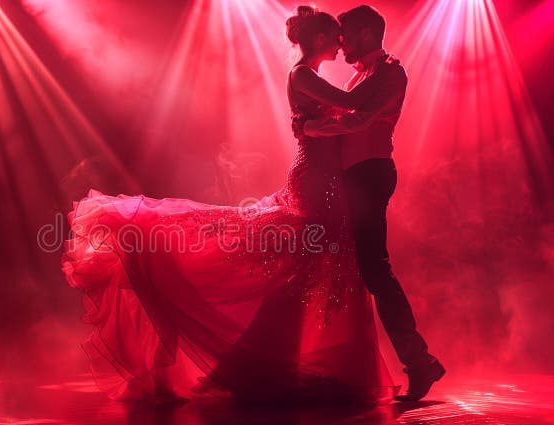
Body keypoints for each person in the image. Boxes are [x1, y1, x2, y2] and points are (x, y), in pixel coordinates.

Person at [61, 6, 395, 403]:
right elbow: (350, 103)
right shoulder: (303, 74)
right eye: (336, 39)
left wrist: (322, 122)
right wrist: (388, 79)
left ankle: (267, 361)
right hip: (317, 181)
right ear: (320, 40)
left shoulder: (308, 75)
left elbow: (339, 112)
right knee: (302, 265)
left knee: (303, 271)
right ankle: (262, 363)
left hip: (326, 179)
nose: (342, 46)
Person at [294, 5, 445, 401]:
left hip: (371, 173)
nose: (339, 41)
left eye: (344, 33)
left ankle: (419, 361)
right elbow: (347, 111)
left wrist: (309, 126)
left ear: (364, 32)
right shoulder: (362, 75)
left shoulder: (391, 72)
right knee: (360, 270)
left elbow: (357, 119)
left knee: (375, 271)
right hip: (354, 177)